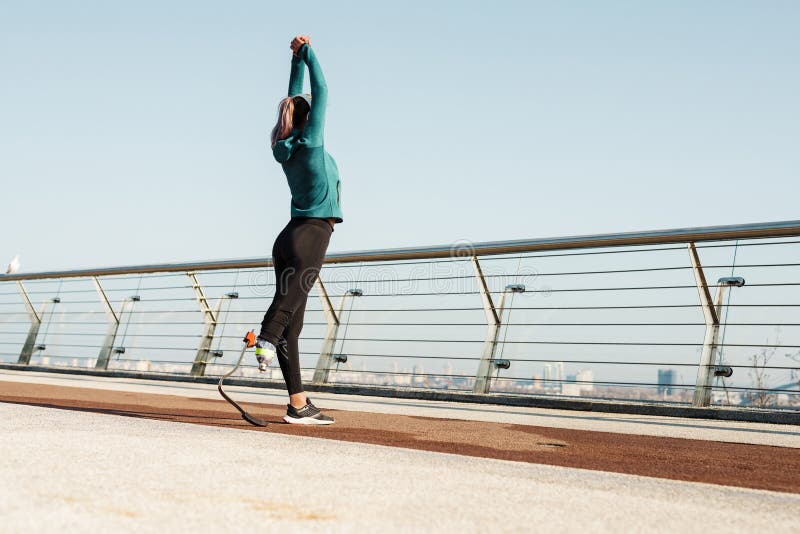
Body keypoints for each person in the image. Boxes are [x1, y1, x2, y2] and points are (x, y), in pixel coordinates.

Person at [256, 35, 342, 425]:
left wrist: (294, 60)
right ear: (311, 119)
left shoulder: (285, 145)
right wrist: (308, 53)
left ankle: (297, 404)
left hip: (288, 235)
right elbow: (321, 89)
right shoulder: (310, 141)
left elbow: (295, 98)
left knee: (295, 323)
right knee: (286, 312)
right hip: (311, 235)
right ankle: (264, 341)